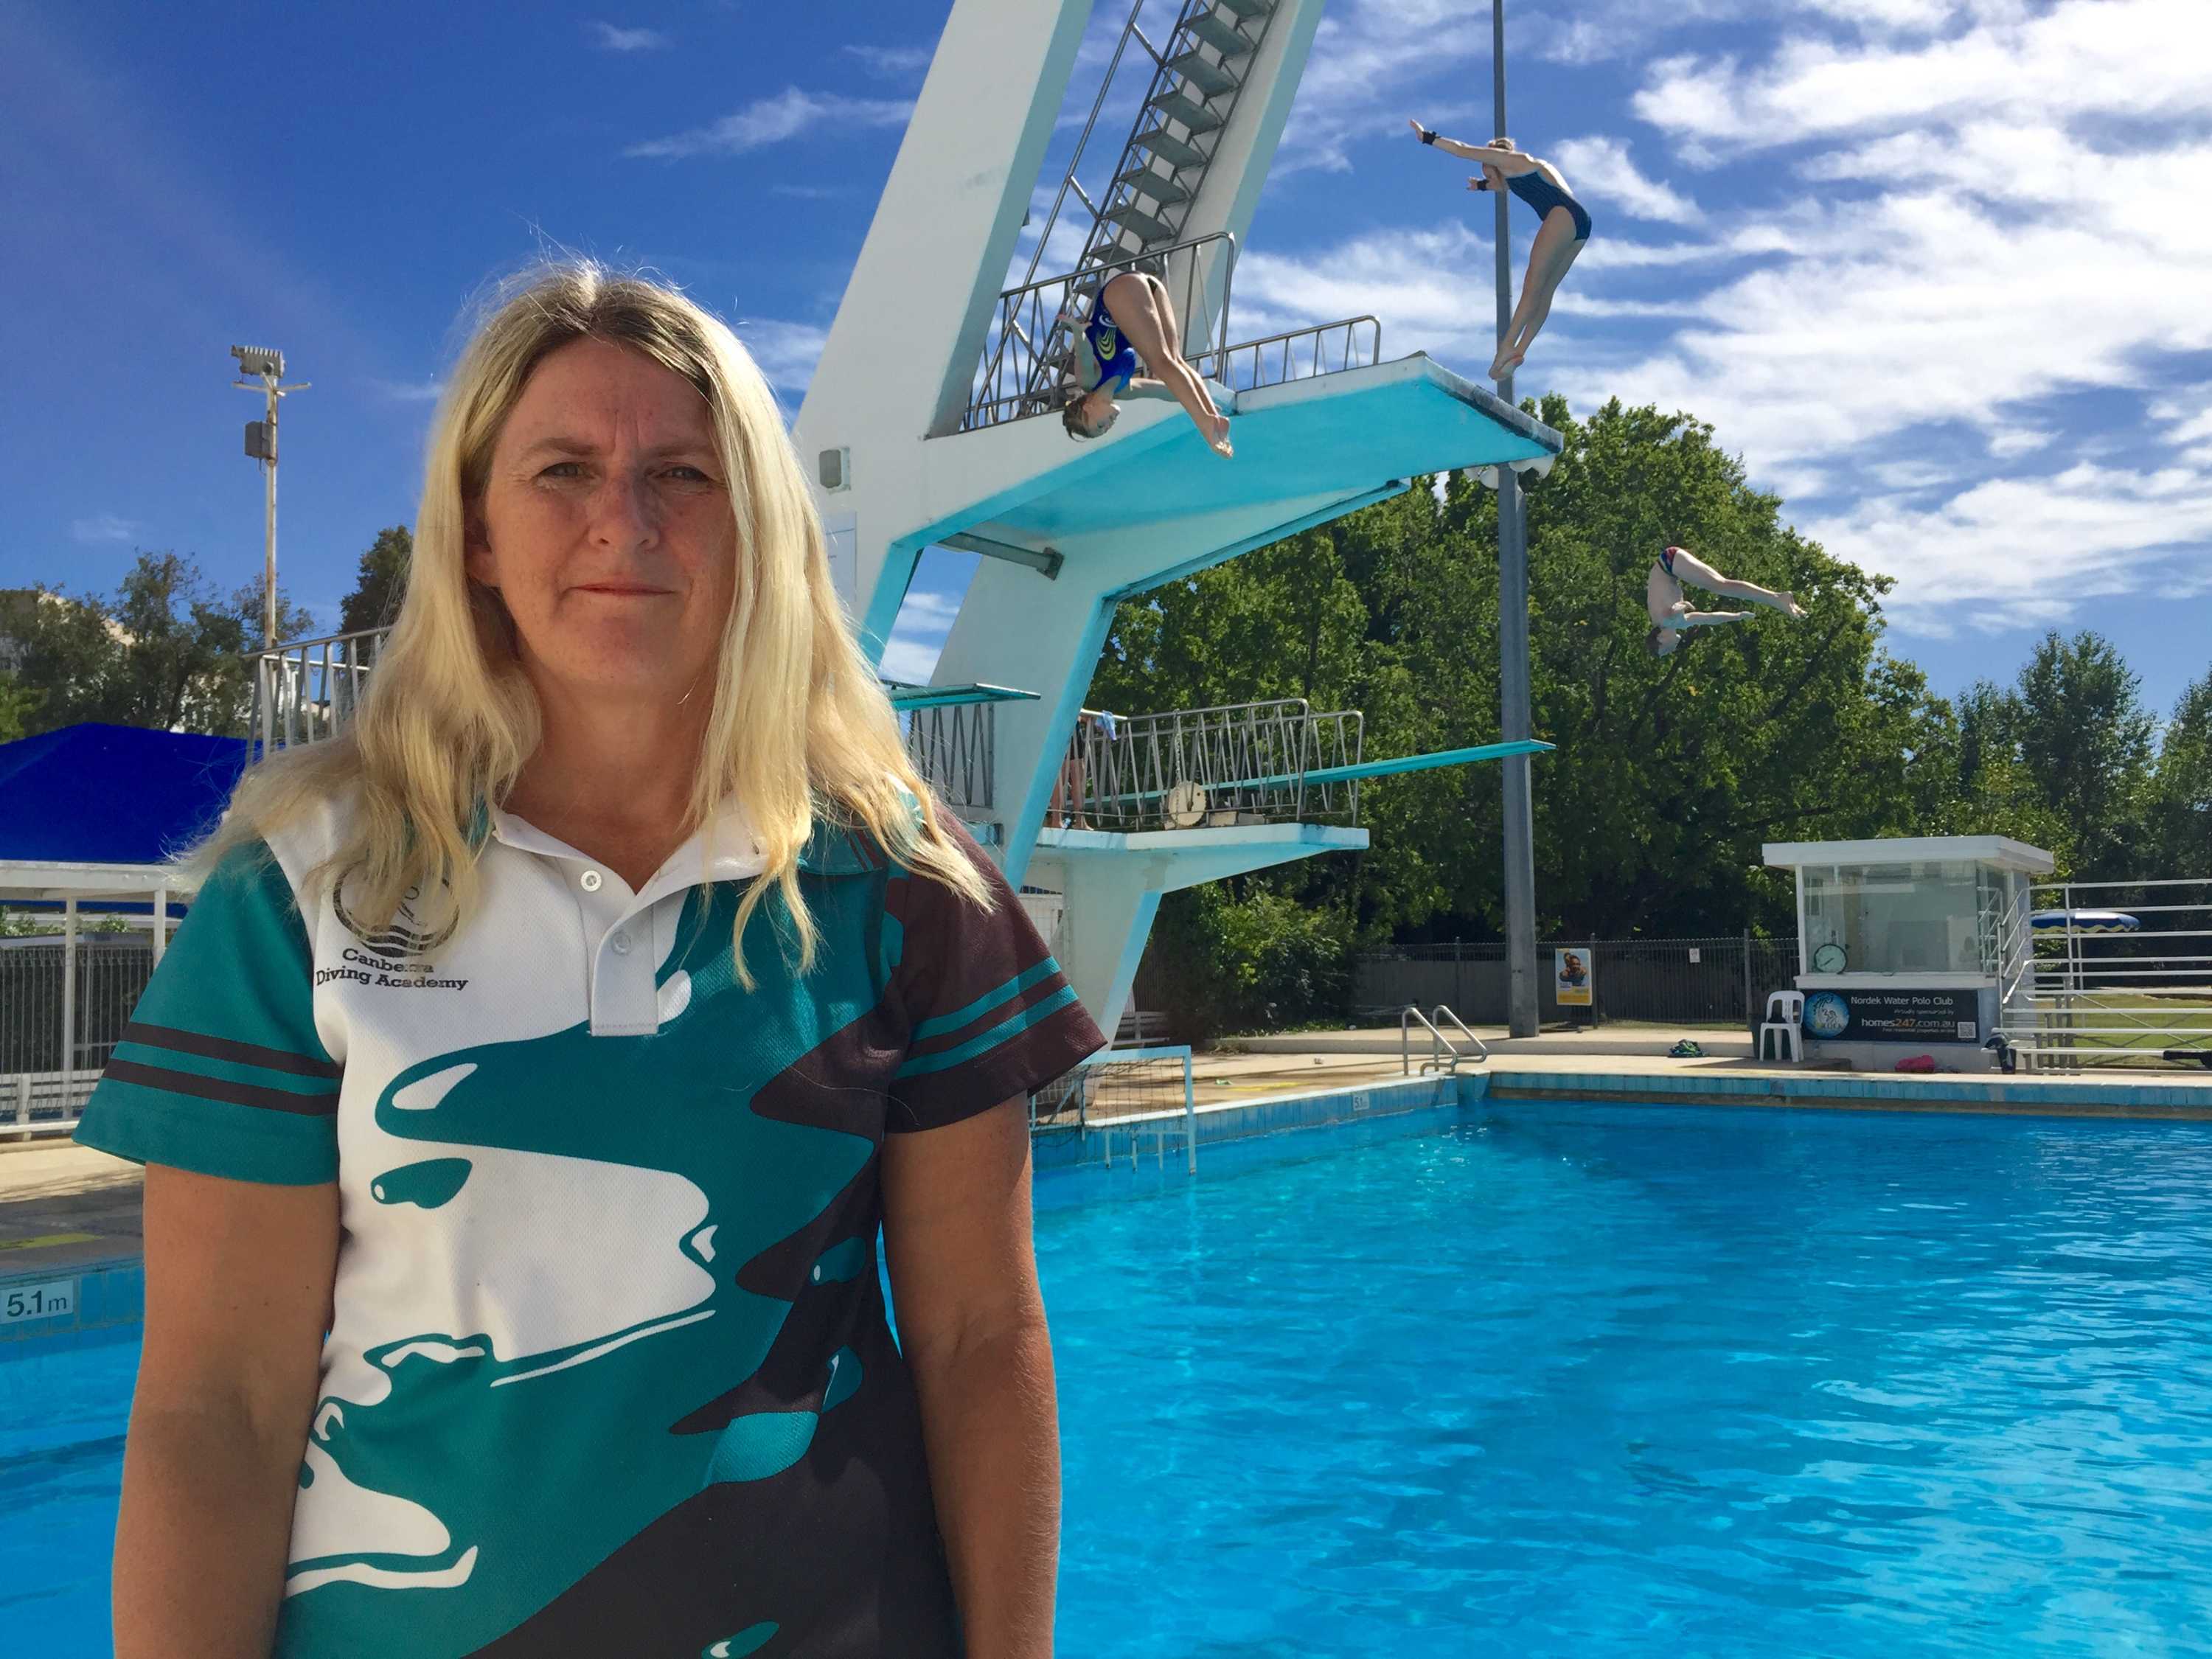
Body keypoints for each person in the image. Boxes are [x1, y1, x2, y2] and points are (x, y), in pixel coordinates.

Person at [76, 262, 1105, 1659]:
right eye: (562, 470)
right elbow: (218, 1408)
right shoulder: (305, 888)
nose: (625, 523)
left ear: (754, 530)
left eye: (682, 474)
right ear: (478, 535)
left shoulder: (902, 886)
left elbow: (986, 1344)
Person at [1408, 122, 1592, 381]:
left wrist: (1428, 138)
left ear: (1494, 162)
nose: (1489, 178)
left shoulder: (1508, 159)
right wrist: (1482, 186)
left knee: (1532, 284)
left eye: (1488, 173)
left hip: (1562, 214)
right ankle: (1519, 350)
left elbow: (1462, 149)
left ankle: (1505, 348)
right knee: (1546, 290)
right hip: (1581, 224)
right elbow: (1503, 185)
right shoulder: (1521, 171)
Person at [1060, 268, 1234, 457]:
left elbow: (1084, 354)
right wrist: (1204, 402)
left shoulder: (1089, 381)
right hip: (1149, 288)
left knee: (1161, 362)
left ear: (1088, 407)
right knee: (1175, 361)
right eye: (1106, 430)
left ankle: (1206, 425)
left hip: (1120, 293)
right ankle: (1213, 419)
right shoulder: (1125, 390)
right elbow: (1166, 392)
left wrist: (1078, 333)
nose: (1108, 426)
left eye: (1100, 425)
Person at [1645, 543, 1806, 656]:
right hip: (1670, 567)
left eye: (1665, 650)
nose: (1672, 651)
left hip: (1668, 563)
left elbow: (1670, 612)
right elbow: (1710, 619)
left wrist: (1681, 606)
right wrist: (1736, 616)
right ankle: (1777, 598)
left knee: (1720, 585)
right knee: (1721, 586)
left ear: (1660, 638)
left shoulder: (1664, 621)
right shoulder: (1678, 623)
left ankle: (1778, 598)